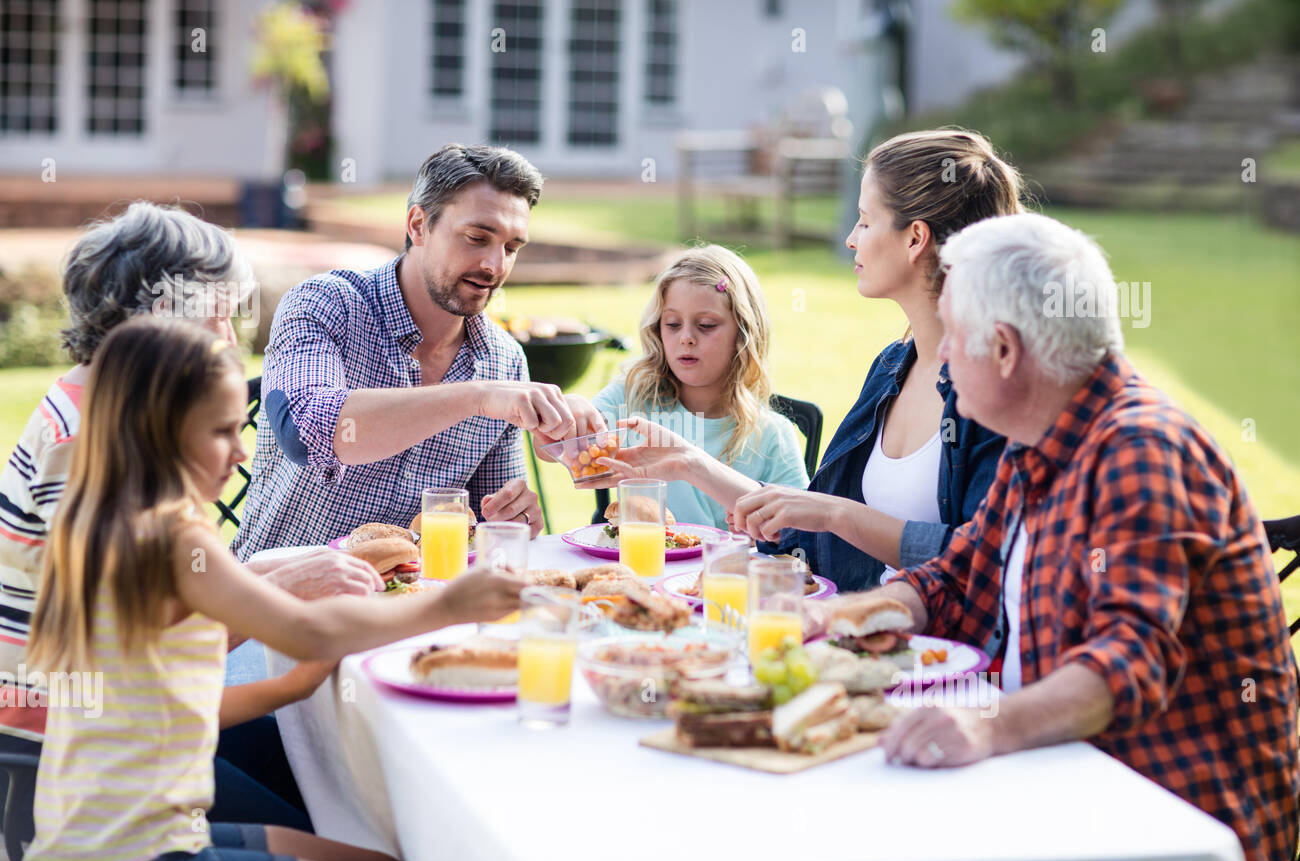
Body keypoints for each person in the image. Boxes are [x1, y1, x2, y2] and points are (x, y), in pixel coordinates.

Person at [851, 213, 1298, 861]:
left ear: (1004, 350)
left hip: (1170, 835)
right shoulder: (1041, 439)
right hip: (1063, 785)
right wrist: (831, 617)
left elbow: (1129, 661)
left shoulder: (1140, 450)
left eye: (953, 336)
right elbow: (956, 578)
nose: (940, 356)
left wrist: (984, 725)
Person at [23, 319, 524, 861]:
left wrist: (294, 687)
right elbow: (306, 629)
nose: (241, 452)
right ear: (154, 431)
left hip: (83, 846)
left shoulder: (97, 524)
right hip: (139, 859)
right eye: (221, 432)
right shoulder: (175, 540)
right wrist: (452, 604)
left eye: (242, 429)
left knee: (375, 860)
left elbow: (172, 708)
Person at [0, 202, 383, 834]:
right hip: (73, 759)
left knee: (327, 772)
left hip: (103, 727)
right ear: (161, 317)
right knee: (333, 809)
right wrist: (272, 592)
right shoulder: (88, 443)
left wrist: (259, 573)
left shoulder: (92, 401)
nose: (232, 341)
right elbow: (134, 650)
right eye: (221, 317)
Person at [600, 131, 1020, 589]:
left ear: (915, 237)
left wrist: (839, 515)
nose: (850, 239)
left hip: (942, 651)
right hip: (866, 630)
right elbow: (805, 528)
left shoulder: (997, 389)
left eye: (864, 221)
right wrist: (688, 463)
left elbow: (991, 560)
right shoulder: (892, 370)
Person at [231, 143, 604, 560]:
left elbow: (487, 528)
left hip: (412, 606)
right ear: (419, 225)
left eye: (512, 248)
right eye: (477, 238)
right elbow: (307, 434)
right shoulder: (324, 304)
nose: (495, 266)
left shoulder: (504, 360)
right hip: (278, 599)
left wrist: (511, 519)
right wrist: (478, 397)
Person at [589, 245, 808, 529]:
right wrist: (571, 409)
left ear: (743, 334)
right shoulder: (631, 397)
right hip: (643, 569)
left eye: (705, 325)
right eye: (672, 324)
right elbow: (556, 445)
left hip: (727, 572)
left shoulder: (771, 435)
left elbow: (803, 535)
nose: (687, 338)